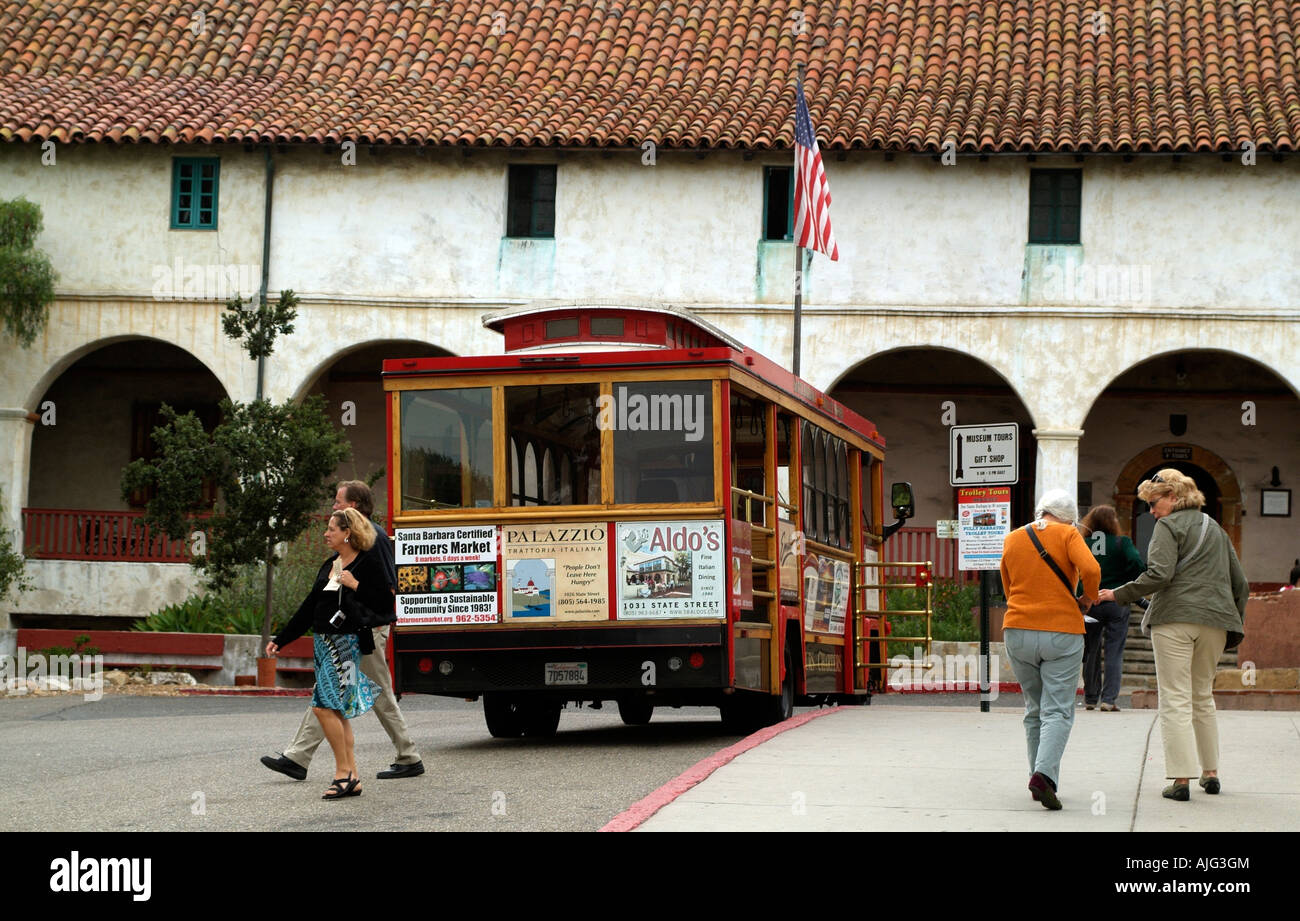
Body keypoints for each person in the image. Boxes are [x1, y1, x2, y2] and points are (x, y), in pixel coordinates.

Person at [1099, 469, 1247, 801]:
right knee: (1202, 697)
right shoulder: (1219, 530)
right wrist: (1233, 620)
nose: (1151, 511)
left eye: (1154, 503)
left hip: (1175, 620)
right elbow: (1242, 585)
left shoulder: (1168, 526)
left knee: (1175, 697)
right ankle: (1211, 773)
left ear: (1173, 497)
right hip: (1215, 622)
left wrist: (1117, 593)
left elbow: (1160, 574)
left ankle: (1181, 779)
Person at [260, 481, 425, 781]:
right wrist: (282, 639)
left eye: (339, 502)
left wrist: (365, 603)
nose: (334, 507)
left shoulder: (374, 539)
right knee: (331, 694)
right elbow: (314, 604)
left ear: (355, 507)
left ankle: (406, 756)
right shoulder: (336, 559)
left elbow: (388, 589)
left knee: (370, 695)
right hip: (341, 637)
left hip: (366, 633)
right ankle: (298, 757)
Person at [265, 508, 387, 799]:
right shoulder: (329, 564)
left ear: (347, 533)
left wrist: (354, 584)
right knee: (335, 709)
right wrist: (281, 639)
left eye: (332, 528)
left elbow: (384, 603)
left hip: (346, 644)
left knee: (323, 706)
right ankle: (352, 776)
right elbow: (310, 607)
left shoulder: (366, 564)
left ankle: (343, 773)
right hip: (323, 644)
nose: (326, 533)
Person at [999, 489, 1101, 810]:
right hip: (1061, 631)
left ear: (1040, 511)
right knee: (1057, 709)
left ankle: (1038, 776)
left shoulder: (1014, 538)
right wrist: (1088, 597)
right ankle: (1044, 774)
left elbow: (1007, 580)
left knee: (1034, 708)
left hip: (1017, 629)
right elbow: (1092, 571)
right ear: (1070, 517)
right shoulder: (1069, 534)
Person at [1078, 505, 1146, 711]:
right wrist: (1126, 581)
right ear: (1113, 522)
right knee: (1114, 650)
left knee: (1091, 651)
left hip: (1090, 602)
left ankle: (1090, 698)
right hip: (1116, 600)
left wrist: (1084, 592)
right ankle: (1109, 699)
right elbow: (1136, 562)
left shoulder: (1083, 542)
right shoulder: (1121, 542)